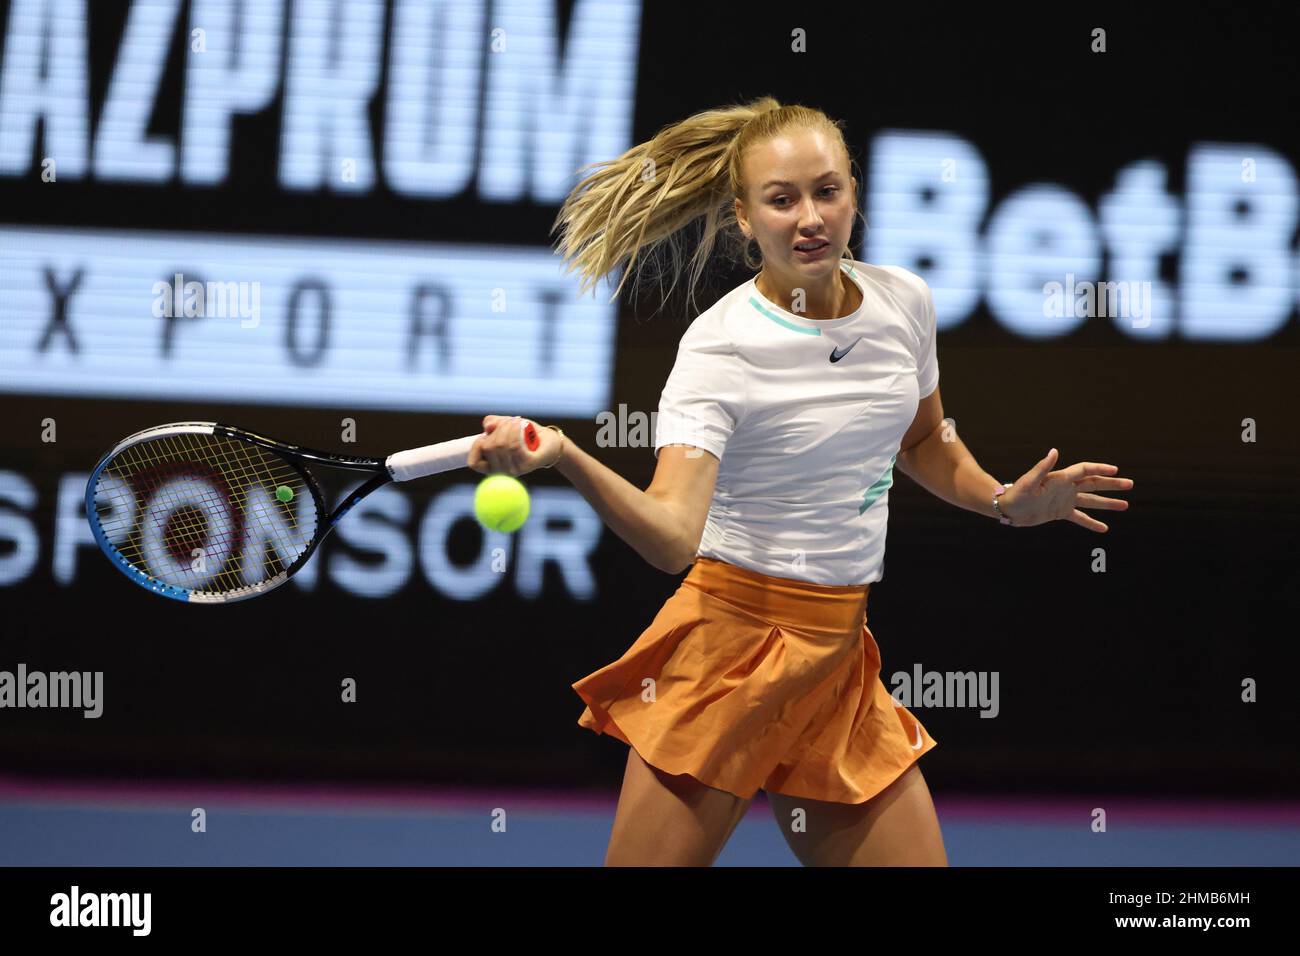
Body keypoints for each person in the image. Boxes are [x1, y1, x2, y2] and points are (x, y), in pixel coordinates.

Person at [467, 96, 1133, 866]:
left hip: (839, 656)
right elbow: (671, 540)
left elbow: (921, 441)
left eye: (827, 191)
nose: (809, 217)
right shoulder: (720, 349)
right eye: (781, 201)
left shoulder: (903, 303)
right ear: (746, 219)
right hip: (726, 652)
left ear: (856, 193)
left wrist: (1001, 500)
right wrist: (565, 457)